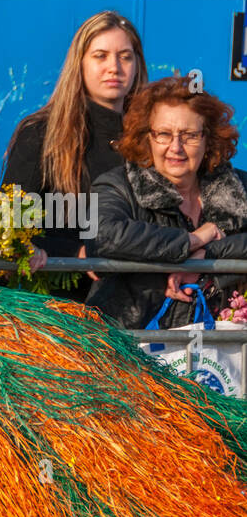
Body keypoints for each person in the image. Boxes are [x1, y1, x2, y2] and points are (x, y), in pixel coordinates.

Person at [4, 11, 148, 299]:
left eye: (125, 56)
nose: (114, 67)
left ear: (137, 65)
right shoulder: (41, 132)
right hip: (64, 310)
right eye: (100, 56)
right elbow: (9, 223)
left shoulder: (154, 136)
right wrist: (75, 252)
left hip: (146, 307)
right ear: (79, 63)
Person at [89, 75, 247, 329]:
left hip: (221, 357)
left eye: (189, 135)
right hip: (130, 349)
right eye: (163, 134)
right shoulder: (117, 185)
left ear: (208, 140)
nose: (176, 147)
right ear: (147, 137)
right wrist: (191, 241)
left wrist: (209, 256)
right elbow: (101, 236)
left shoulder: (237, 186)